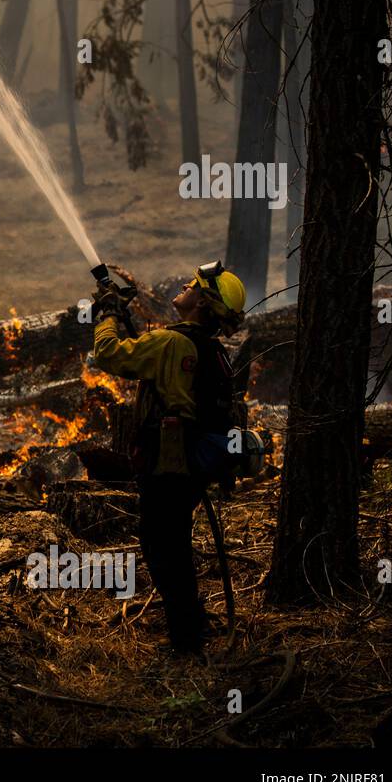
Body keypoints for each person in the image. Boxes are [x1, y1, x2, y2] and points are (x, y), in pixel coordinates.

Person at [90, 262, 246, 654]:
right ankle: (190, 626)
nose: (184, 285)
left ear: (203, 303)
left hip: (169, 463)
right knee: (173, 543)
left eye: (193, 285)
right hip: (192, 465)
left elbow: (109, 355)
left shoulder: (173, 342)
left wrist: (107, 314)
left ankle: (186, 641)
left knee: (162, 548)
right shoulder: (206, 347)